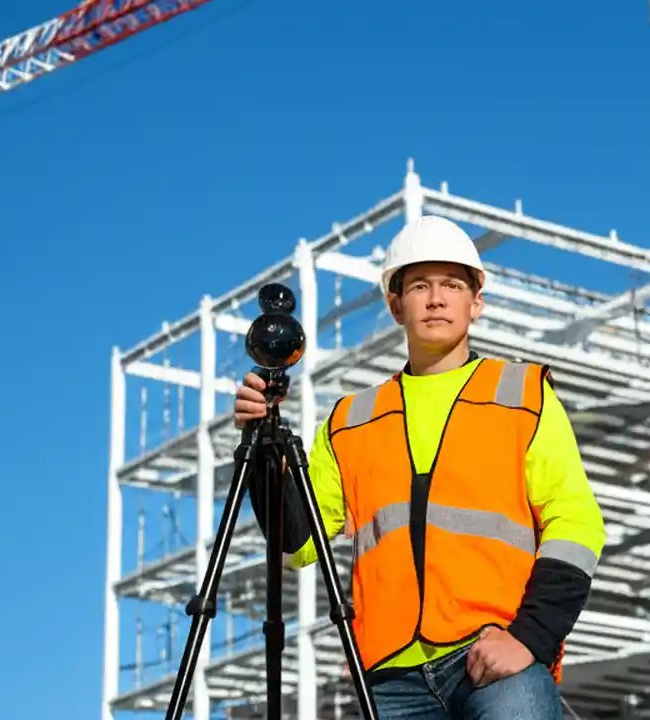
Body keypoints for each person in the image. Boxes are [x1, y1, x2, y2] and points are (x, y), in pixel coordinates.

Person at [233, 215, 606, 719]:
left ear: (476, 303)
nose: (436, 298)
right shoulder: (350, 420)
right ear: (395, 305)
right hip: (388, 680)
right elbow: (296, 542)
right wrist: (263, 447)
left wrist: (529, 637)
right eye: (420, 286)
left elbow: (577, 525)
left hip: (494, 660)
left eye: (452, 285)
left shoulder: (525, 394)